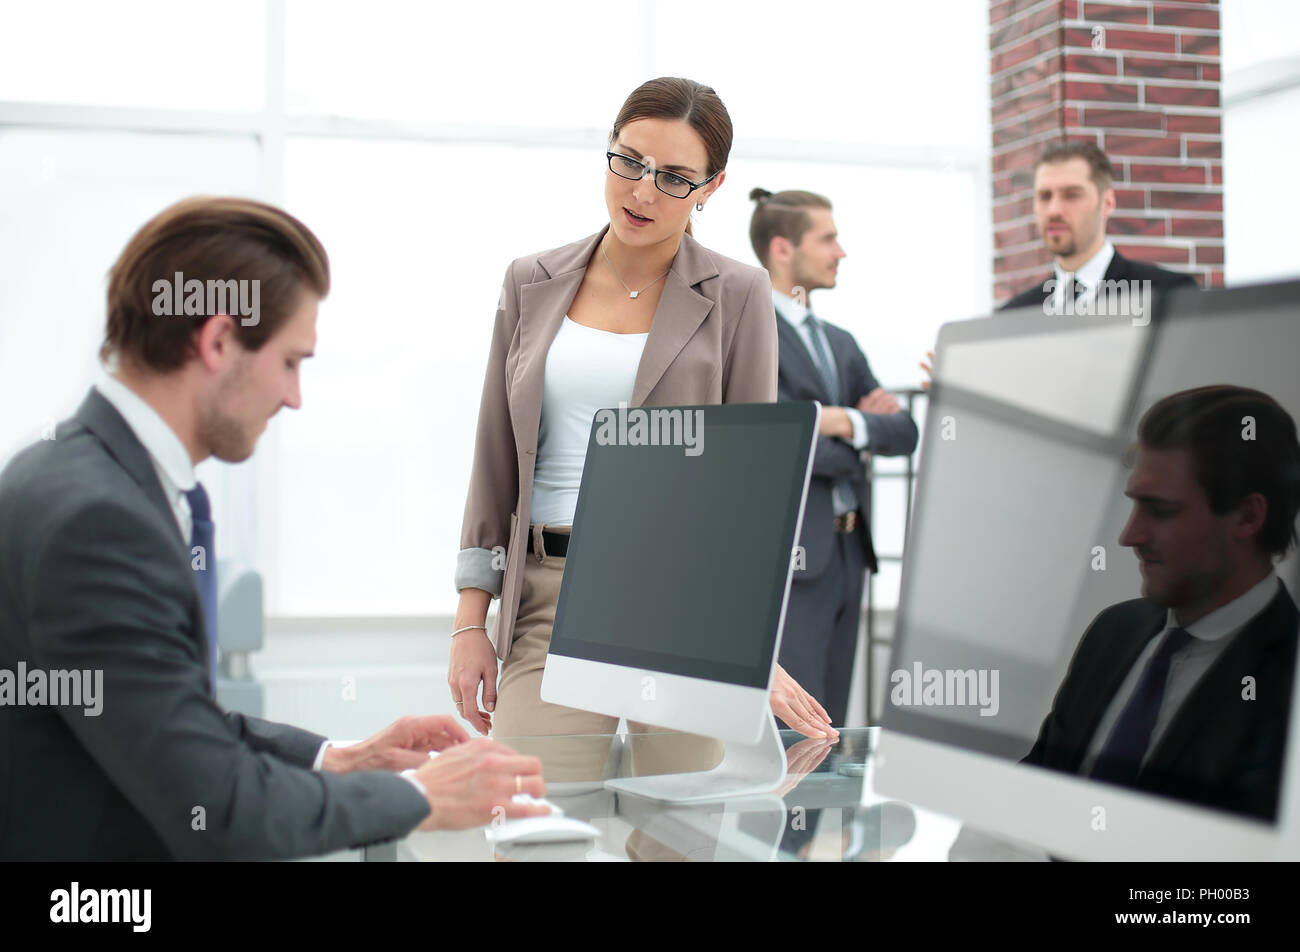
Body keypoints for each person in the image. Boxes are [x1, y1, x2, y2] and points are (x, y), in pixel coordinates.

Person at [0, 197, 548, 861]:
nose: (294, 397)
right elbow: (219, 806)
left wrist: (341, 758)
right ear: (219, 340)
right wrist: (422, 798)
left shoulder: (84, 474)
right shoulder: (99, 520)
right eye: (292, 362)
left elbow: (166, 718)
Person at [449, 77, 836, 746]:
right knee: (534, 833)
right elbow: (494, 461)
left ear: (713, 186)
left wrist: (749, 648)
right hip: (547, 598)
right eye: (629, 160)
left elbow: (750, 491)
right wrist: (468, 622)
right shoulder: (529, 281)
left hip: (684, 609)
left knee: (679, 844)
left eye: (676, 177)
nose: (643, 191)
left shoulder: (740, 294)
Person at [1025, 385, 1300, 821]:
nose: (1129, 536)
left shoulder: (1288, 679)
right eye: (1136, 506)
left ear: (1248, 517)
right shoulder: (1113, 631)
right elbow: (1036, 787)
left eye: (1161, 510)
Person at [748, 188, 919, 728]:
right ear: (782, 249)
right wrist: (861, 432)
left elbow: (905, 431)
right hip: (797, 559)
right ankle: (791, 818)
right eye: (827, 238)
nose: (839, 251)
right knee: (797, 729)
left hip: (850, 554)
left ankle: (827, 820)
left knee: (836, 725)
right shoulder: (752, 337)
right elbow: (779, 443)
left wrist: (839, 420)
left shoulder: (840, 342)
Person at [1000, 141, 1197, 313]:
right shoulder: (1014, 315)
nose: (1054, 210)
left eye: (1072, 195)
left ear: (1107, 203)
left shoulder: (1169, 295)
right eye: (1044, 196)